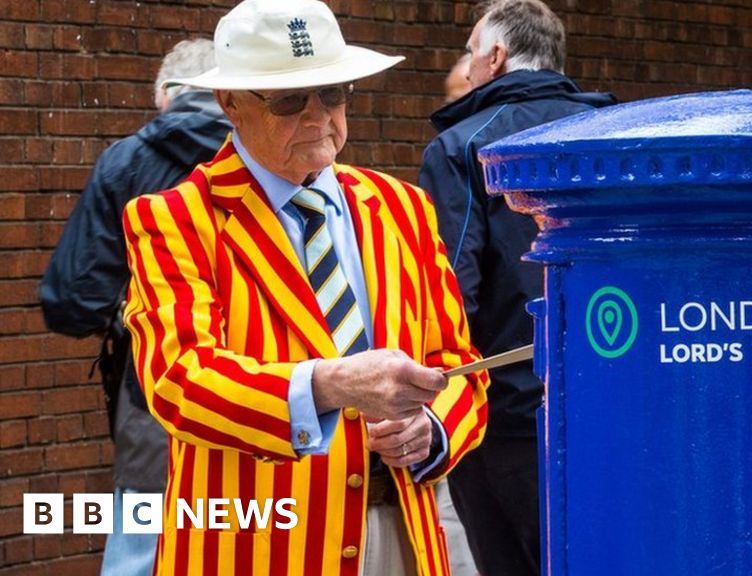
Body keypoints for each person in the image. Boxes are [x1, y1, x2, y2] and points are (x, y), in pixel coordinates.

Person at [118, 0, 489, 574]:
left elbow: (460, 362)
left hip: (403, 532)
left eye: (334, 93)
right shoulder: (178, 217)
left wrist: (432, 431)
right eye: (290, 100)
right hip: (256, 547)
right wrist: (331, 384)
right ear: (229, 104)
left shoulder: (403, 209)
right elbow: (178, 381)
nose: (319, 118)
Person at [418, 1, 616, 575]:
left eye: (470, 52)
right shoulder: (611, 134)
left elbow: (451, 290)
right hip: (610, 402)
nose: (468, 64)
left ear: (496, 57)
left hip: (506, 419)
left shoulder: (461, 146)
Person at [39, 38, 230, 576]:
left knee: (141, 548)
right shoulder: (275, 155)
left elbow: (71, 298)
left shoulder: (126, 162)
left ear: (166, 95)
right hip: (276, 387)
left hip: (155, 394)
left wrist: (128, 309)